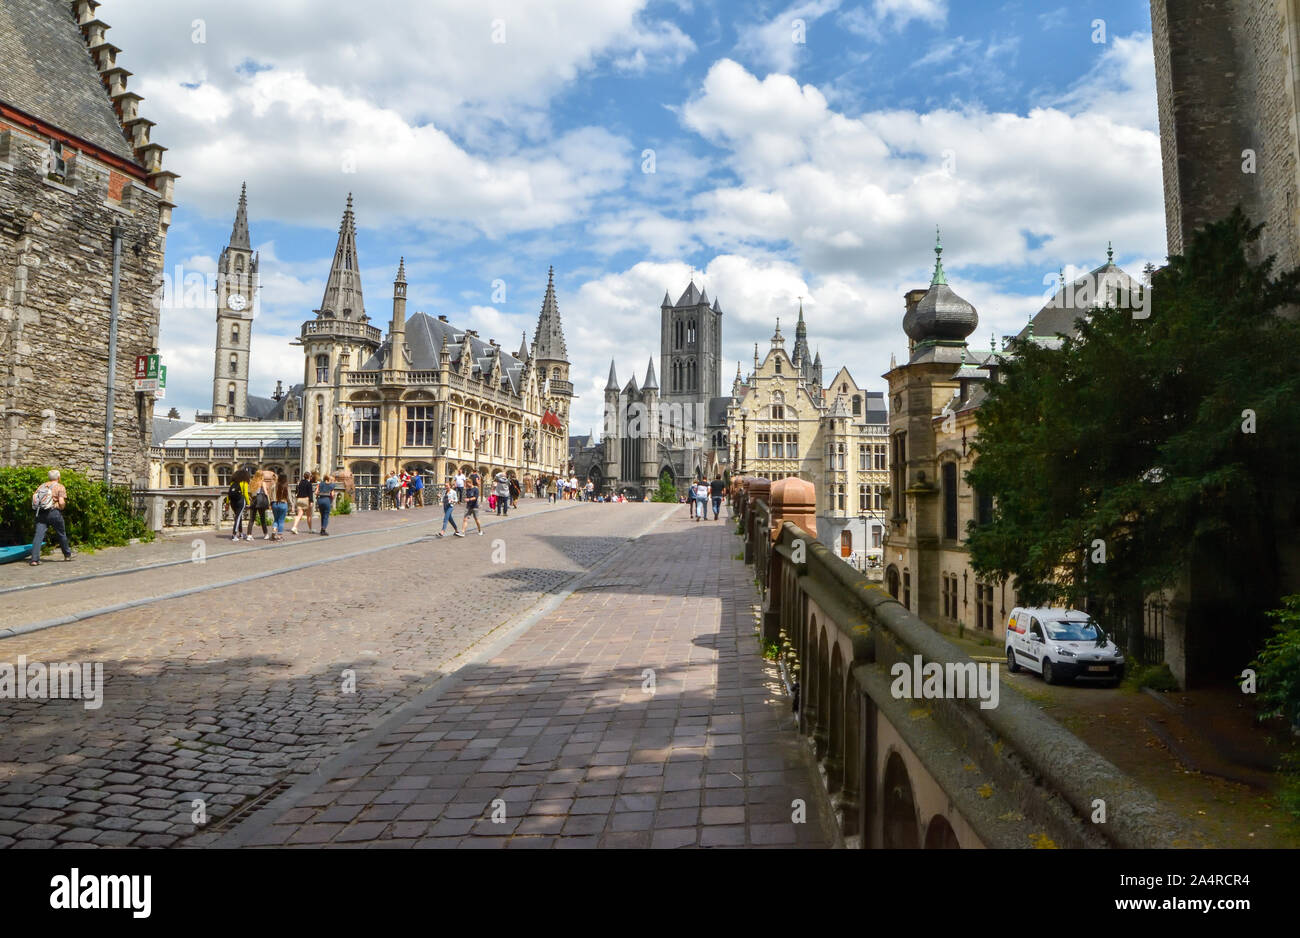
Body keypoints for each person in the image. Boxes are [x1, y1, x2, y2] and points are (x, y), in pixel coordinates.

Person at [28, 469, 72, 565]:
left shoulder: (42, 486)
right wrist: (61, 507)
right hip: (54, 512)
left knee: (38, 536)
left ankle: (34, 560)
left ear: (49, 477)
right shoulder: (60, 487)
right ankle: (67, 555)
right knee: (61, 533)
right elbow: (61, 502)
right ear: (59, 477)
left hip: (41, 513)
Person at [227, 466, 253, 541]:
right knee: (238, 517)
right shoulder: (244, 482)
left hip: (232, 501)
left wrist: (227, 503)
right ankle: (234, 534)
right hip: (240, 501)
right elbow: (245, 493)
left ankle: (241, 533)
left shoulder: (233, 482)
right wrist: (248, 503)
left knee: (239, 517)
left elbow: (229, 493)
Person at [246, 468, 272, 540]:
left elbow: (249, 493)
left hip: (254, 501)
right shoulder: (262, 482)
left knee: (251, 519)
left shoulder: (252, 482)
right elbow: (266, 493)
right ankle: (266, 534)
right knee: (262, 518)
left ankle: (249, 535)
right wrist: (269, 501)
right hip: (260, 501)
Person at [271, 473, 290, 541]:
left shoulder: (274, 486)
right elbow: (289, 497)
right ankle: (279, 536)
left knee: (276, 519)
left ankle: (274, 530)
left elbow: (271, 495)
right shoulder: (286, 486)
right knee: (281, 520)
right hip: (283, 504)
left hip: (274, 504)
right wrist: (292, 505)